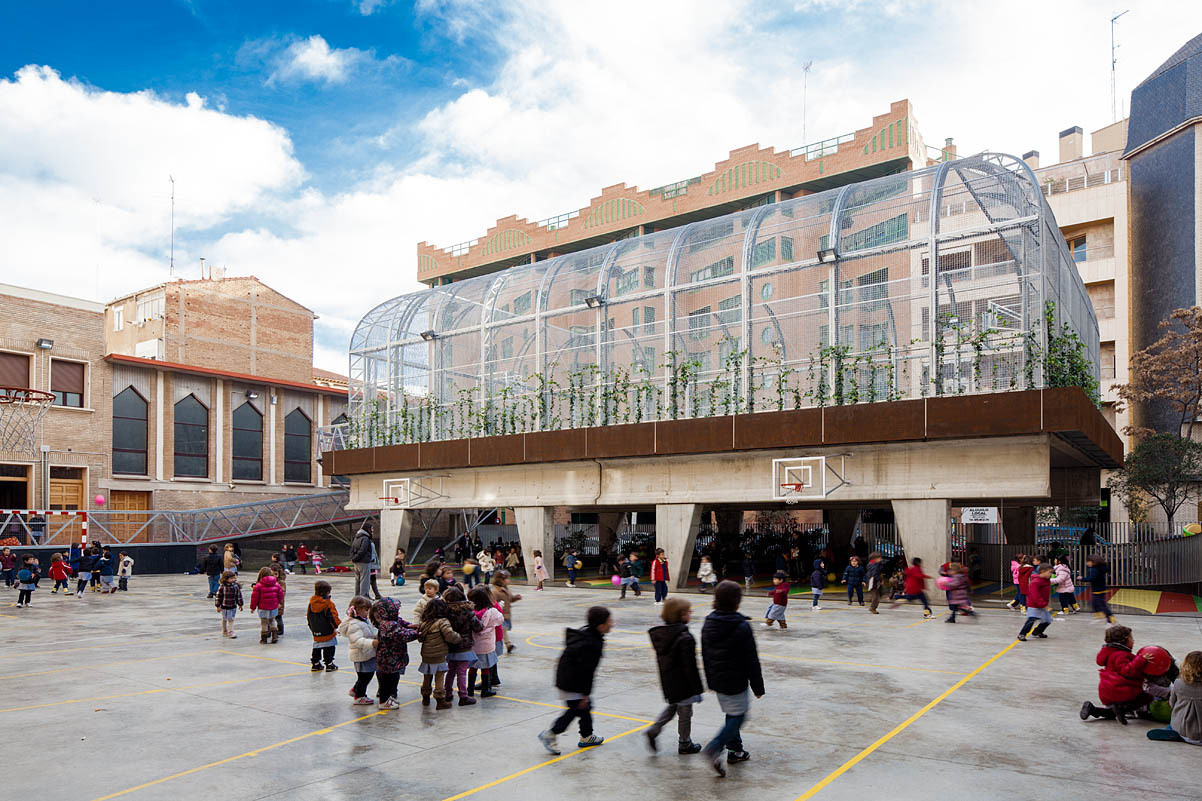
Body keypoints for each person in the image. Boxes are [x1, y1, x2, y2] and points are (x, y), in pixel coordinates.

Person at [700, 580, 764, 777]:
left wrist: (710, 679)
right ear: (737, 601)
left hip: (718, 679)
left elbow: (705, 654)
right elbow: (751, 659)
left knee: (731, 713)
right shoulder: (741, 626)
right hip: (736, 680)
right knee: (739, 715)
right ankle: (715, 746)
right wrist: (758, 686)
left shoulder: (709, 623)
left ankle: (736, 751)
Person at [538, 605, 611, 755]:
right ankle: (550, 734)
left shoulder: (589, 634)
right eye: (610, 621)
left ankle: (586, 736)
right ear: (601, 626)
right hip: (570, 681)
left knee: (586, 707)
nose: (612, 623)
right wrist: (585, 694)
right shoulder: (592, 644)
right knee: (576, 708)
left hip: (568, 676)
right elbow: (587, 671)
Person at [646, 597, 704, 755]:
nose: (691, 614)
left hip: (669, 681)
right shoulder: (685, 637)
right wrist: (697, 689)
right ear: (681, 615)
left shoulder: (663, 634)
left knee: (673, 707)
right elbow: (690, 667)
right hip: (683, 683)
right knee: (685, 713)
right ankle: (685, 743)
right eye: (689, 612)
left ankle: (655, 729)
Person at [1080, 624, 1157, 724]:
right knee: (1146, 698)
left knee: (1112, 712)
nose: (1133, 641)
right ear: (1123, 641)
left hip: (1107, 690)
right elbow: (1127, 671)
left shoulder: (1110, 652)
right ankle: (1122, 708)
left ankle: (1093, 710)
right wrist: (1140, 660)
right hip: (1121, 691)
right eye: (1131, 638)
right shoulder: (1121, 655)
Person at [372, 597, 420, 710]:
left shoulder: (391, 620)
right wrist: (417, 634)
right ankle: (383, 702)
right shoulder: (388, 625)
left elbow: (401, 623)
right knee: (387, 680)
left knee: (391, 678)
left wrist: (410, 625)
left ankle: (387, 698)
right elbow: (401, 635)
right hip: (389, 658)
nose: (397, 612)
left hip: (391, 657)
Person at [1147, 651, 1202, 744]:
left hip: (1178, 727)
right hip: (1199, 733)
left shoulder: (1178, 683)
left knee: (1173, 723)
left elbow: (1171, 704)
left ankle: (1176, 733)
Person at [417, 596, 461, 709]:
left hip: (426, 655)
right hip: (439, 654)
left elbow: (420, 638)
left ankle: (425, 697)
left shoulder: (424, 622)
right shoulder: (443, 622)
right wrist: (459, 638)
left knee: (427, 676)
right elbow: (449, 635)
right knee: (439, 677)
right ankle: (440, 700)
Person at [443, 586, 483, 705]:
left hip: (450, 645)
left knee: (450, 671)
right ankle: (463, 696)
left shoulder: (445, 612)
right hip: (465, 646)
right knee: (462, 672)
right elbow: (478, 627)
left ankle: (448, 693)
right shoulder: (468, 611)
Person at [338, 595, 378, 704]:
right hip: (361, 655)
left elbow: (367, 634)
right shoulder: (355, 624)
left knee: (366, 676)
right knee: (364, 677)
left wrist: (373, 637)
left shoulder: (363, 621)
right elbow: (358, 641)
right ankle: (359, 696)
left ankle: (356, 691)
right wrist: (373, 643)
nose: (368, 612)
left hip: (366, 654)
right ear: (357, 610)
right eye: (366, 610)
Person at [468, 585, 504, 698]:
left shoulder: (470, 612)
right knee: (485, 668)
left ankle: (470, 689)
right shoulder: (492, 612)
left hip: (474, 645)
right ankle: (485, 690)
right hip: (487, 646)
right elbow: (500, 619)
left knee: (473, 667)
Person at [307, 580, 341, 672]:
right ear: (328, 592)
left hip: (316, 629)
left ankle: (315, 663)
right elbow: (333, 617)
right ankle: (329, 663)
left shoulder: (311, 603)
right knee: (329, 646)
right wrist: (338, 626)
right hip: (328, 630)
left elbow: (309, 616)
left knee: (317, 646)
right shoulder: (328, 604)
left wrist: (311, 627)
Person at [1017, 564, 1054, 641]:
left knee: (1047, 620)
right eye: (1049, 572)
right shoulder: (1035, 582)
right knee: (1031, 619)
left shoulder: (1047, 580)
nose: (1051, 574)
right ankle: (1022, 634)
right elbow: (1035, 595)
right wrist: (1043, 605)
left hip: (1042, 604)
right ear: (1042, 572)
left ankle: (1037, 631)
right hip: (1034, 605)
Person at [249, 566, 284, 644]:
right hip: (274, 606)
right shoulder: (276, 584)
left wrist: (252, 608)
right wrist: (278, 603)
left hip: (263, 607)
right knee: (272, 621)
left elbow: (254, 598)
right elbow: (280, 595)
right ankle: (275, 636)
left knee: (264, 622)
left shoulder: (258, 585)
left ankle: (264, 639)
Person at [492, 570, 521, 654]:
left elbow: (510, 599)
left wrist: (516, 598)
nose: (509, 580)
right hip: (500, 616)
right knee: (503, 629)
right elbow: (492, 604)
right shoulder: (495, 592)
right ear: (501, 580)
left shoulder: (506, 589)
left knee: (505, 629)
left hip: (507, 614)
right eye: (507, 579)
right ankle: (508, 645)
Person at [1084, 555, 1116, 623]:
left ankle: (1110, 617)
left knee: (1101, 604)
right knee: (1095, 602)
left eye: (1088, 562)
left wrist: (1082, 578)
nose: (1087, 563)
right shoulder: (1100, 568)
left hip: (1097, 589)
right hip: (1101, 588)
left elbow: (1092, 578)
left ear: (1093, 562)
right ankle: (1098, 613)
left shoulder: (1094, 569)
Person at [350, 520, 377, 599]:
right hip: (364, 562)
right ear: (368, 529)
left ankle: (357, 596)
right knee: (365, 580)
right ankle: (364, 597)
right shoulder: (365, 538)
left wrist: (353, 559)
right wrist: (356, 558)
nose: (372, 530)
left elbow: (352, 549)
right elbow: (363, 550)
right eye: (371, 528)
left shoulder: (357, 537)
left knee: (357, 580)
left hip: (357, 562)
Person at [215, 570, 243, 638]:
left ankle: (231, 631)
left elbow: (239, 596)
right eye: (231, 578)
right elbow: (218, 597)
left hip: (233, 606)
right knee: (224, 619)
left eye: (234, 578)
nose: (233, 579)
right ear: (226, 579)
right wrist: (218, 606)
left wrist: (240, 604)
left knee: (231, 619)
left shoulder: (236, 586)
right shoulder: (222, 587)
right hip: (224, 606)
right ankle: (224, 631)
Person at [270, 562, 288, 635]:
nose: (274, 576)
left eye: (275, 574)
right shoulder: (269, 581)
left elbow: (282, 592)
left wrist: (278, 601)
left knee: (278, 617)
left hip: (278, 602)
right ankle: (270, 630)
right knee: (270, 617)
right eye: (272, 574)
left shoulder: (281, 582)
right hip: (271, 602)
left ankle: (280, 630)